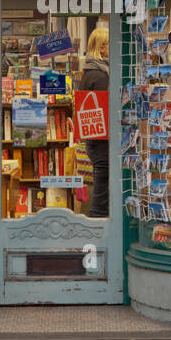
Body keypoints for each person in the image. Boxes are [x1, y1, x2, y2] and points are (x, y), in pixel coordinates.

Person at [77, 26, 112, 219]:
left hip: (94, 138)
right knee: (101, 191)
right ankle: (97, 228)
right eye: (109, 46)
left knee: (102, 184)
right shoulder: (100, 75)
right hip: (101, 140)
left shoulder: (90, 71)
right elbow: (104, 108)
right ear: (101, 48)